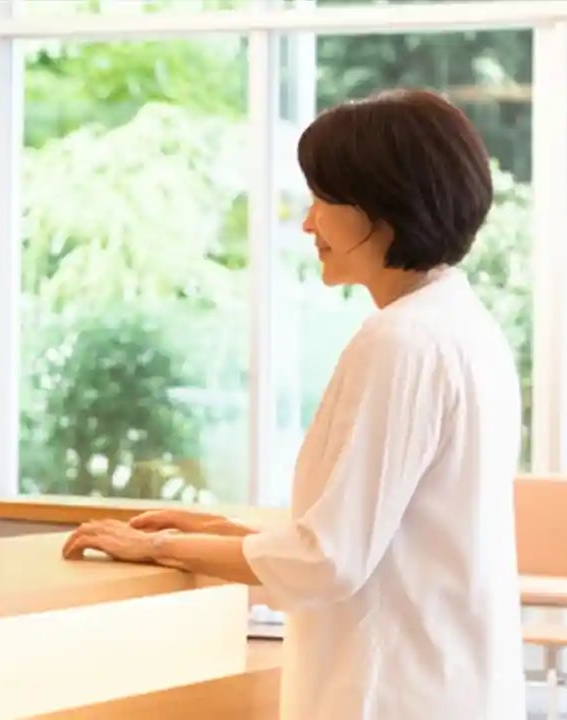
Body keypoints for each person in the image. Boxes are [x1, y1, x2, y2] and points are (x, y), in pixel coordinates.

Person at [62, 89, 525, 720]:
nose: (308, 223)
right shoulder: (464, 326)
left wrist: (157, 549)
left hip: (388, 693)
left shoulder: (402, 340)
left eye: (323, 200)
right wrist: (227, 535)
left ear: (384, 205)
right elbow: (389, 535)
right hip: (447, 683)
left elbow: (329, 561)